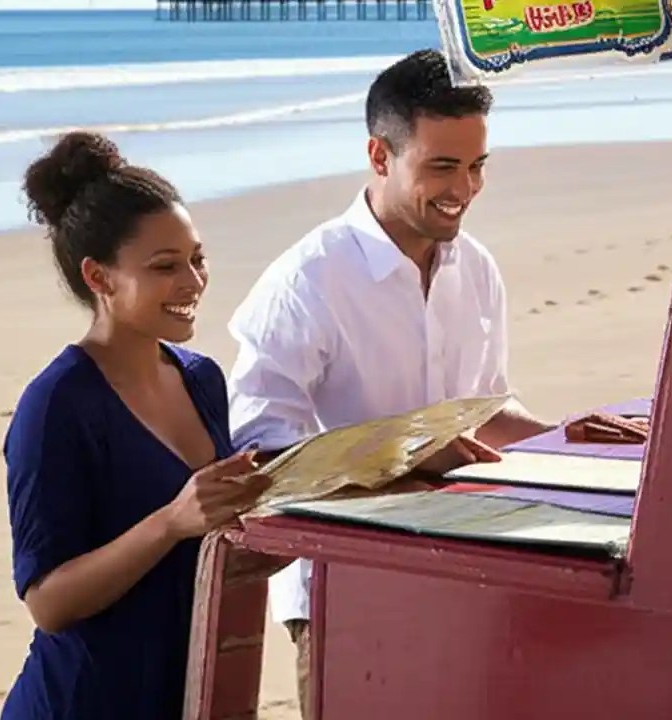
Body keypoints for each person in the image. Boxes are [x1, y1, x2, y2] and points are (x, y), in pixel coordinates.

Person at [224, 49, 556, 719]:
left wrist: (588, 446)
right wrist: (405, 455)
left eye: (475, 166)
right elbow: (259, 456)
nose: (463, 188)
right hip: (344, 586)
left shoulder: (478, 267)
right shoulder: (307, 282)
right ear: (380, 155)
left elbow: (485, 405)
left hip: (469, 564)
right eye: (441, 166)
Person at [0, 130, 272, 720]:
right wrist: (170, 523)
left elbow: (212, 537)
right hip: (82, 703)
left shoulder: (201, 379)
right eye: (165, 267)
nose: (194, 282)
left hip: (186, 695)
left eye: (197, 259)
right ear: (98, 277)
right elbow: (48, 602)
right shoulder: (56, 407)